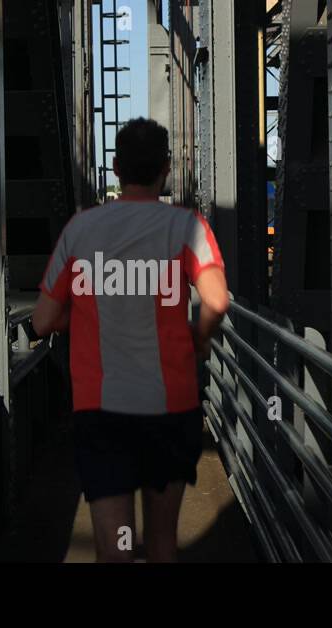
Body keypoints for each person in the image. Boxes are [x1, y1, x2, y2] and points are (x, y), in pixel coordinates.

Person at [32, 118, 230, 563]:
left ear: (116, 167)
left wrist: (84, 314)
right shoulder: (186, 227)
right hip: (171, 408)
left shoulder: (81, 230)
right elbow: (217, 301)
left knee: (115, 548)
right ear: (166, 169)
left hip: (102, 412)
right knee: (162, 543)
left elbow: (43, 322)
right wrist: (200, 339)